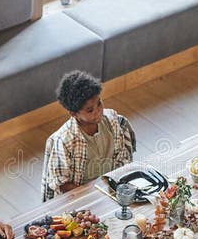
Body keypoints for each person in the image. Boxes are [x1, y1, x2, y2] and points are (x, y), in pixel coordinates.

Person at [41, 70, 135, 200]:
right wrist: (90, 195)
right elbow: (61, 183)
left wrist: (115, 186)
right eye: (90, 110)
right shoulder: (65, 141)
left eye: (99, 103)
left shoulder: (112, 121)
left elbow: (122, 158)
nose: (98, 111)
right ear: (74, 114)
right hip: (82, 196)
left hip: (109, 187)